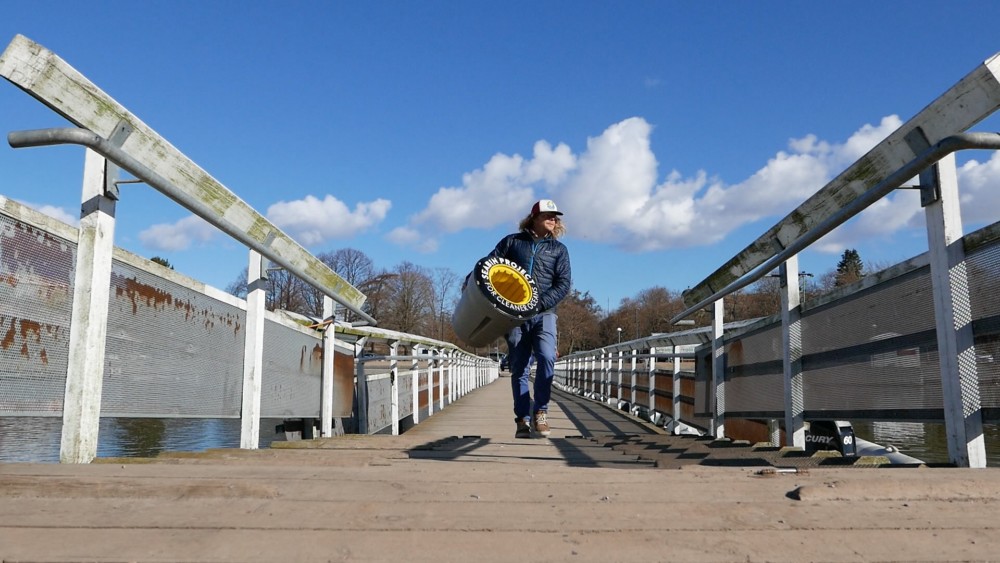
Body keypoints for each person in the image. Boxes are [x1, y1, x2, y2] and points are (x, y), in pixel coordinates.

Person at [487, 199, 572, 438]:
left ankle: (541, 412)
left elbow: (563, 283)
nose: (553, 220)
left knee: (546, 358)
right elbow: (490, 264)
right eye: (548, 216)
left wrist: (540, 303)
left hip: (545, 314)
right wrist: (471, 280)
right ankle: (522, 419)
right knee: (519, 368)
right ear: (534, 217)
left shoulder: (559, 250)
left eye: (555, 217)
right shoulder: (512, 242)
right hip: (514, 315)